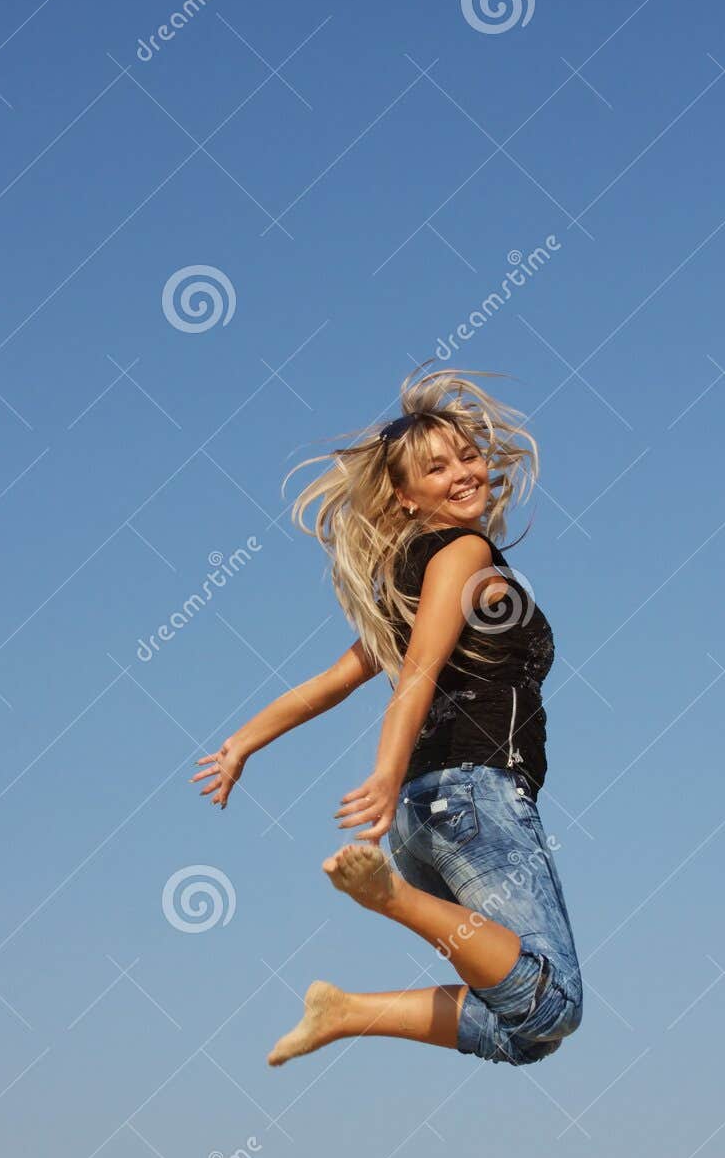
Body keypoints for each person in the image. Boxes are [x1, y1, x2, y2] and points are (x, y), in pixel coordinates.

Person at [190, 365, 584, 1071]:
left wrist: (241, 743)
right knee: (552, 1002)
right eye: (435, 469)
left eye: (467, 455)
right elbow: (421, 675)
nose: (463, 472)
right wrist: (382, 772)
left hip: (423, 818)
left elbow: (331, 682)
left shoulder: (407, 582)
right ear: (403, 498)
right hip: (476, 796)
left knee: (525, 1031)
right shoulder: (463, 554)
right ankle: (389, 898)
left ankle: (345, 1011)